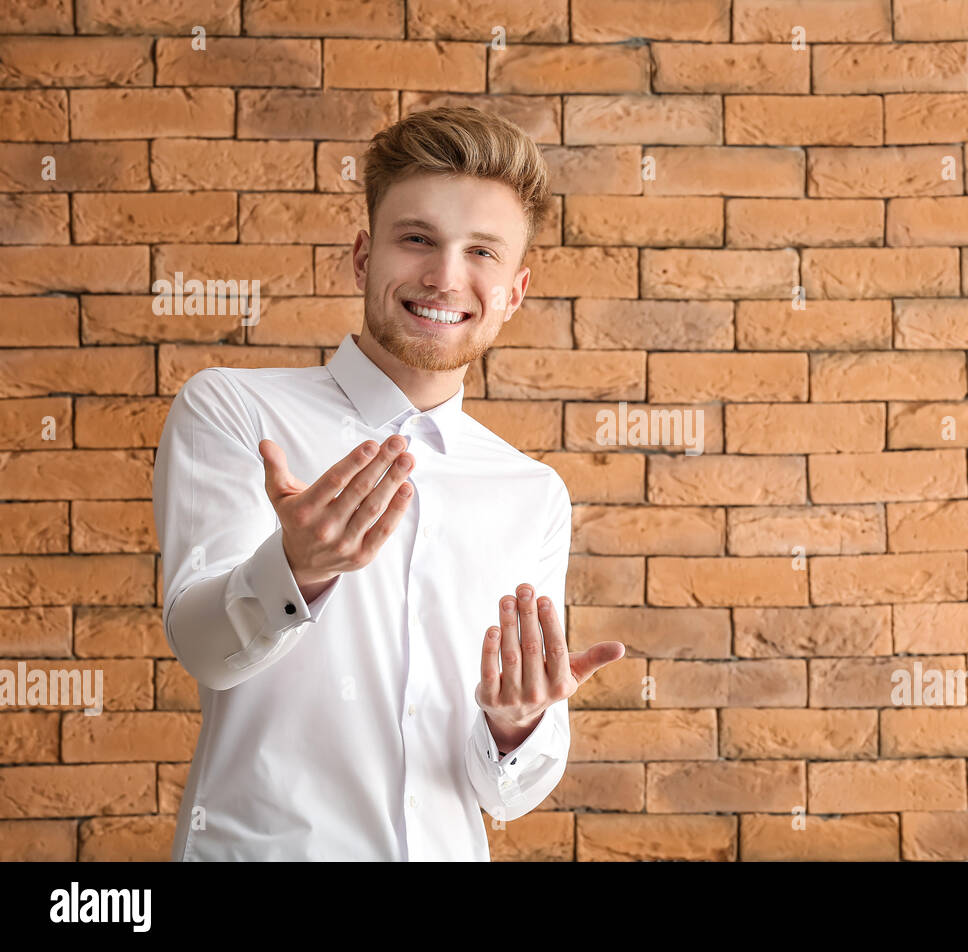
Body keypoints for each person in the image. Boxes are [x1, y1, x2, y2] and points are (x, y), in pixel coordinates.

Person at [152, 105, 625, 861]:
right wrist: (296, 569)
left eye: (481, 253)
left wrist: (517, 724)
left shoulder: (531, 493)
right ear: (363, 255)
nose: (445, 277)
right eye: (417, 240)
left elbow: (507, 795)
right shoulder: (236, 408)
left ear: (515, 291)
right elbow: (203, 648)